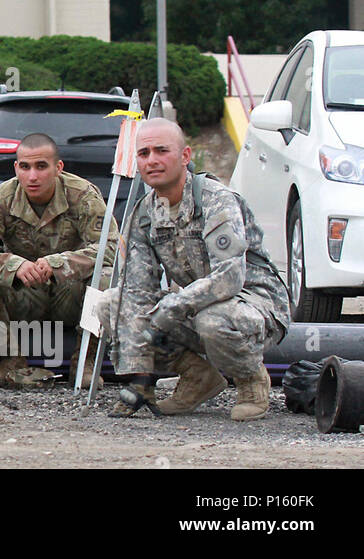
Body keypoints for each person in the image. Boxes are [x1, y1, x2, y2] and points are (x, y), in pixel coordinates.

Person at [111, 118, 290, 421]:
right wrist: (139, 375)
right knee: (113, 303)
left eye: (161, 151)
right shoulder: (143, 215)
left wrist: (176, 304)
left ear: (185, 156)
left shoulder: (216, 200)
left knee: (212, 319)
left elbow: (230, 278)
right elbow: (136, 291)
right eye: (143, 154)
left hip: (254, 305)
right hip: (196, 307)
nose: (151, 160)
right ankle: (198, 378)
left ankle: (251, 382)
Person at [0, 133, 117, 389]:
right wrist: (13, 265)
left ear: (58, 168)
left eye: (41, 166)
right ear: (16, 168)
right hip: (24, 295)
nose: (32, 176)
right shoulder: (2, 197)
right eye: (25, 167)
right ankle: (11, 359)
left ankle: (85, 363)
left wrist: (60, 263)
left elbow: (109, 248)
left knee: (107, 277)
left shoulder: (83, 195)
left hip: (70, 294)